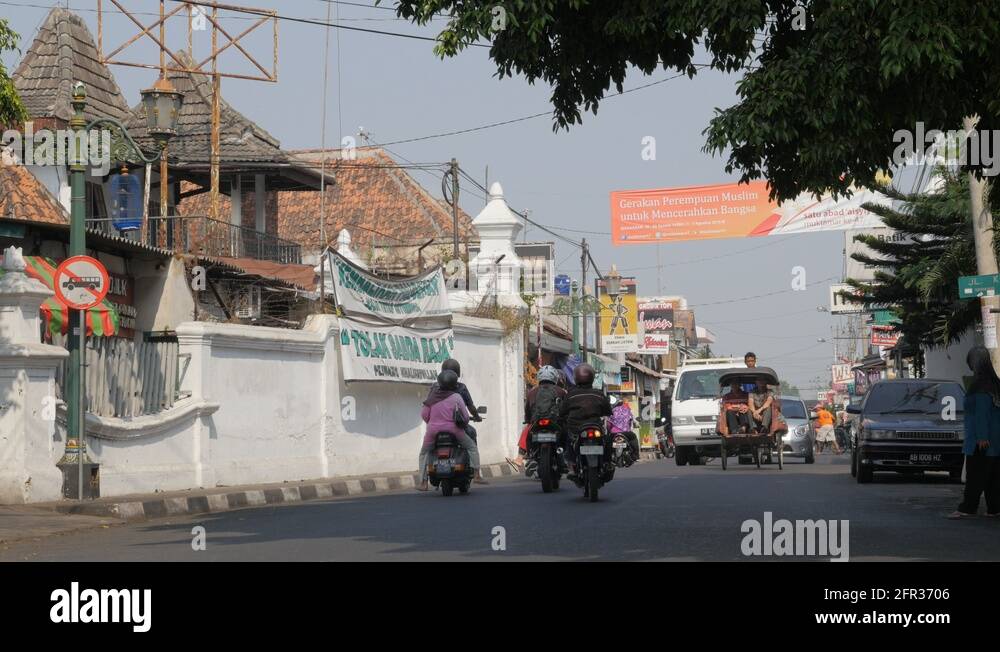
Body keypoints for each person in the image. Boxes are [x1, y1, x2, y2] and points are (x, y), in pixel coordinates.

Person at [949, 347, 1000, 519]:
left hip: (981, 440)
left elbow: (981, 413)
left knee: (975, 475)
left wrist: (982, 437)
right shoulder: (995, 383)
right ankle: (994, 508)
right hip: (996, 439)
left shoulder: (979, 386)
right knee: (993, 477)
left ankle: (967, 508)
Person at [417, 370, 481, 491]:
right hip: (454, 431)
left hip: (433, 431)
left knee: (424, 453)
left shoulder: (431, 397)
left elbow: (424, 414)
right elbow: (466, 417)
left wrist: (433, 423)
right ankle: (477, 475)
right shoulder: (456, 397)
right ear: (454, 384)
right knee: (471, 447)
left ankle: (423, 482)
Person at [426, 359, 488, 483]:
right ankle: (476, 473)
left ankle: (423, 480)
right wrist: (476, 417)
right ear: (457, 373)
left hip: (435, 428)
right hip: (456, 428)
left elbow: (427, 408)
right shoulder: (460, 388)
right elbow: (469, 408)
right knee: (472, 440)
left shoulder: (434, 388)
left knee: (426, 449)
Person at [509, 365, 567, 473]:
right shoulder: (561, 391)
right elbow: (566, 408)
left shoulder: (532, 392)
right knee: (566, 434)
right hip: (555, 422)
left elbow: (527, 410)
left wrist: (528, 420)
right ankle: (568, 458)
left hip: (537, 422)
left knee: (527, 430)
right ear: (555, 377)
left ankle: (523, 457)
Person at [558, 363, 612, 477]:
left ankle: (572, 465)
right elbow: (608, 410)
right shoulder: (599, 394)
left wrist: (563, 416)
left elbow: (562, 412)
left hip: (576, 429)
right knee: (606, 441)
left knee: (569, 442)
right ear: (592, 378)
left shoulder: (570, 395)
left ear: (576, 378)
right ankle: (607, 463)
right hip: (595, 426)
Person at [608, 395, 640, 462]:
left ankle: (606, 459)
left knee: (608, 444)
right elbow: (632, 420)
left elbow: (609, 424)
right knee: (634, 437)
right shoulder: (627, 410)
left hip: (614, 433)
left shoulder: (611, 411)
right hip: (626, 432)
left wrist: (610, 430)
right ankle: (636, 455)